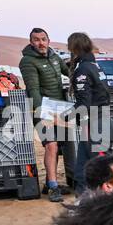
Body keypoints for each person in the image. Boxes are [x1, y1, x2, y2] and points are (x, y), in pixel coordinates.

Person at [19, 28, 70, 202]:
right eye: (36, 40)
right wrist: (42, 113)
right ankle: (54, 188)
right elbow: (33, 89)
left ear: (48, 40)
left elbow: (68, 72)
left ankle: (50, 183)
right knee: (51, 145)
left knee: (58, 148)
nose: (41, 43)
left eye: (43, 39)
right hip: (42, 109)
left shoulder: (55, 57)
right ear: (31, 42)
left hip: (61, 108)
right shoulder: (27, 61)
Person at [67, 32, 110, 197]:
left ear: (74, 48)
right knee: (82, 172)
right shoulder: (95, 67)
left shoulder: (84, 70)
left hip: (95, 125)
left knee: (100, 171)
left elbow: (84, 104)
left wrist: (72, 120)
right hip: (101, 120)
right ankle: (81, 205)